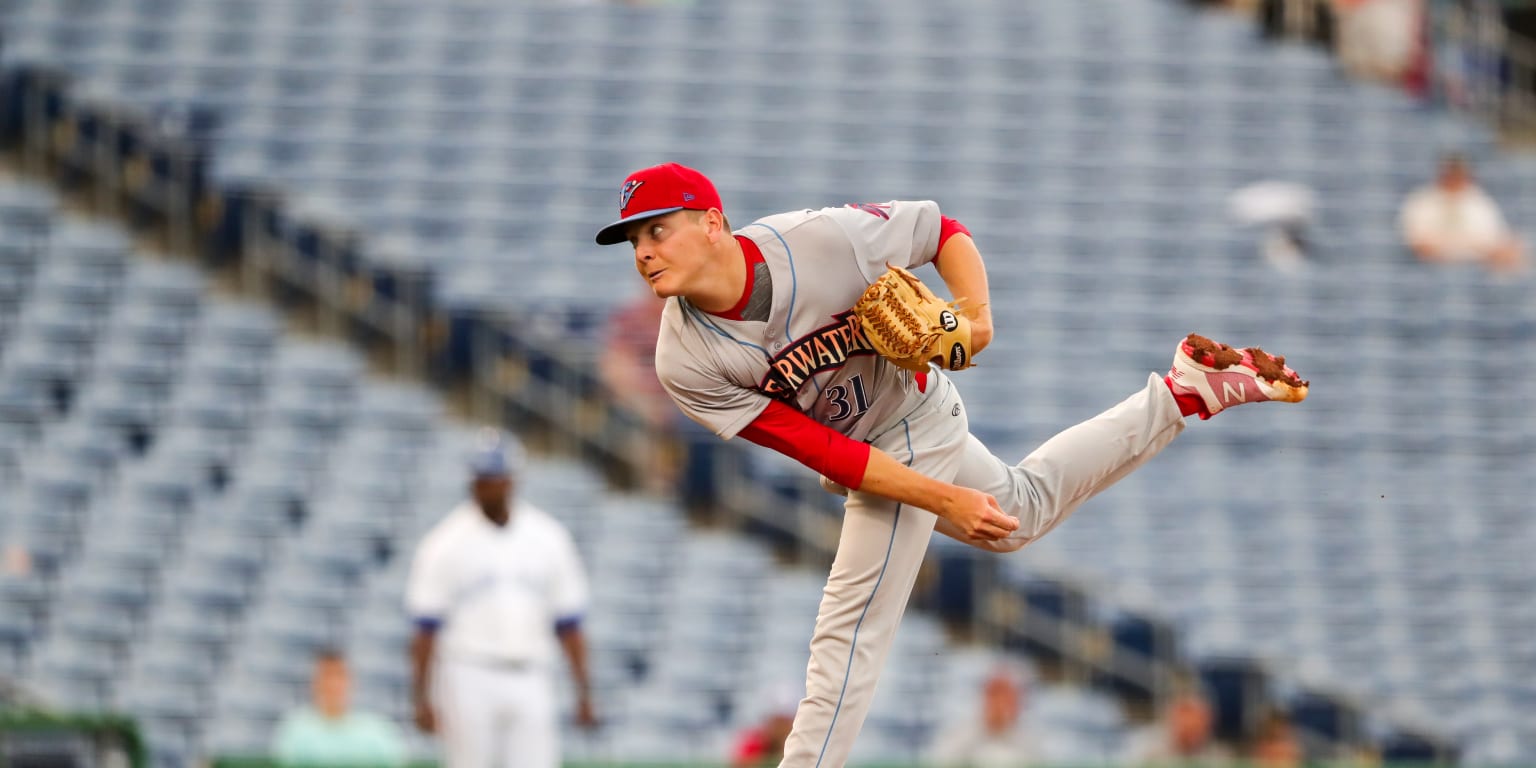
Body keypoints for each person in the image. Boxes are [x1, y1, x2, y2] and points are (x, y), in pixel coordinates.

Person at [593, 162, 1309, 767]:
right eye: (633, 241)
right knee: (1019, 513)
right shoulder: (683, 361)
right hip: (871, 450)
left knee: (851, 623)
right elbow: (827, 453)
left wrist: (977, 317)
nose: (644, 252)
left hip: (917, 411)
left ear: (712, 222)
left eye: (658, 229)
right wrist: (942, 498)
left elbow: (939, 230)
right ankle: (1186, 393)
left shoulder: (815, 240)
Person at [406, 430, 596, 768]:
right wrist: (421, 698)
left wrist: (584, 691)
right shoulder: (444, 543)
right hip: (468, 670)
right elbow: (425, 629)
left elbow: (569, 623)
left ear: (512, 480)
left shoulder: (548, 538)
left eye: (495, 478)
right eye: (481, 478)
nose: (487, 486)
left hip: (532, 671)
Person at [271, 649, 406, 767]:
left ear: (351, 681)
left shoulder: (377, 729)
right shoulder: (295, 728)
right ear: (314, 682)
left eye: (339, 675)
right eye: (326, 675)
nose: (333, 684)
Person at [1399, 154, 1525, 273]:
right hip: (1430, 269)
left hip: (1476, 271)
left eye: (1459, 174)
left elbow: (1496, 242)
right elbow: (1418, 244)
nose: (1455, 178)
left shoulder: (1480, 201)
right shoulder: (1422, 200)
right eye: (1451, 174)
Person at [927, 665, 1040, 768]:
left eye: (1007, 698)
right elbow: (940, 760)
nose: (1000, 704)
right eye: (994, 696)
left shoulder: (1029, 739)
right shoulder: (959, 734)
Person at [1121, 687, 1232, 767]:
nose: (1190, 729)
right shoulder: (1145, 745)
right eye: (1185, 725)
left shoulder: (1218, 757)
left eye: (1197, 727)